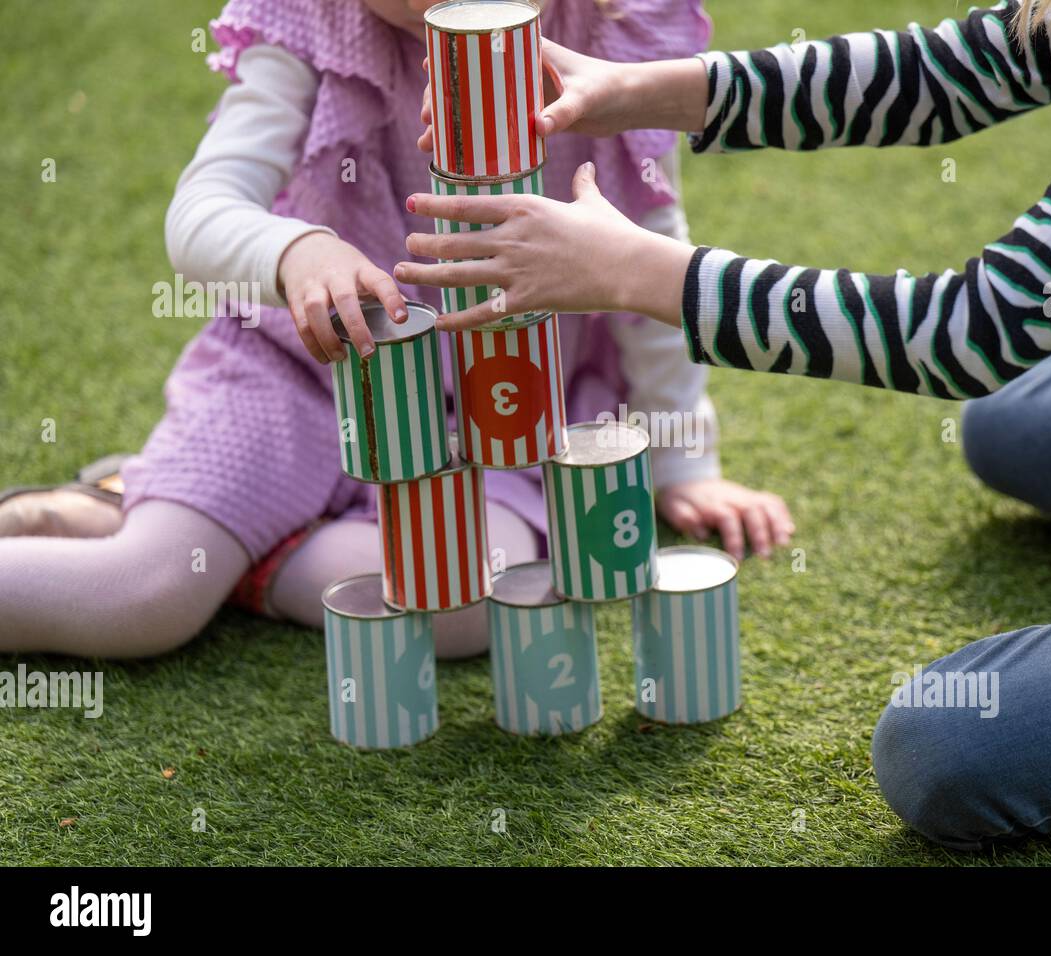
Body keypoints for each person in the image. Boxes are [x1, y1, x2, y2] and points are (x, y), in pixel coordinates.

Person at [402, 0, 1051, 847]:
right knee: (1007, 423)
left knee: (942, 744)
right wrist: (629, 90)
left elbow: (979, 328)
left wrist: (639, 273)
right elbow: (960, 71)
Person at [0, 0, 793, 660]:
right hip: (303, 378)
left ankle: (214, 534)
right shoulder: (313, 23)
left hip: (504, 406)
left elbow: (647, 240)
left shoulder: (614, 29)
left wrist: (684, 458)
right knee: (145, 599)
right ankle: (182, 525)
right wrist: (295, 251)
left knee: (470, 600)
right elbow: (201, 212)